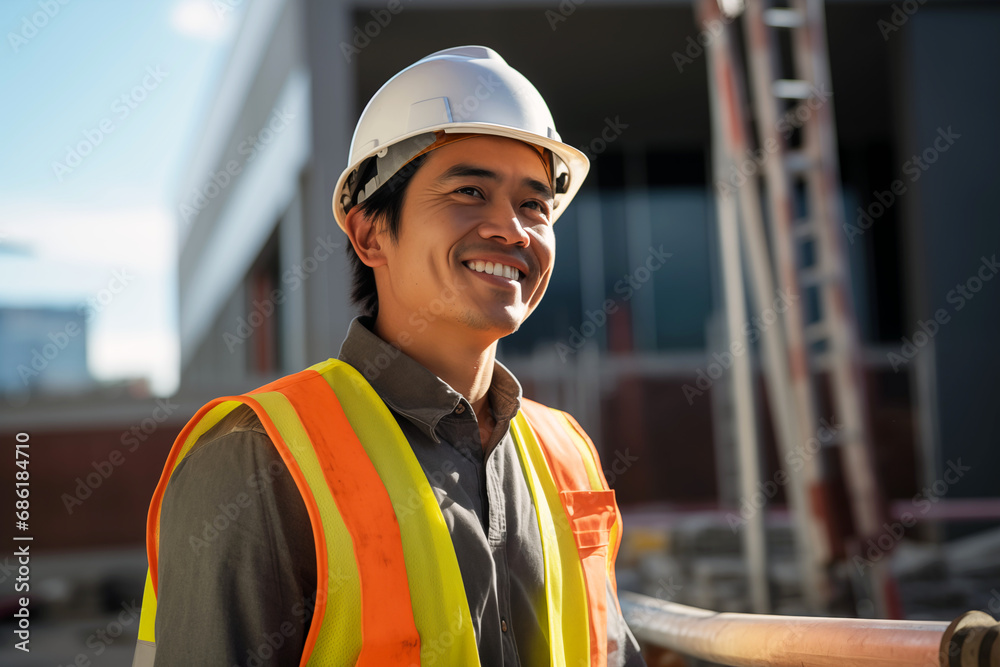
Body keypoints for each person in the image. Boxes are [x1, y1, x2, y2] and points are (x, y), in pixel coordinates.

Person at [134, 45, 645, 667]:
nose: (512, 229)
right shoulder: (258, 455)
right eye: (469, 191)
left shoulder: (568, 453)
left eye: (534, 204)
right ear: (371, 233)